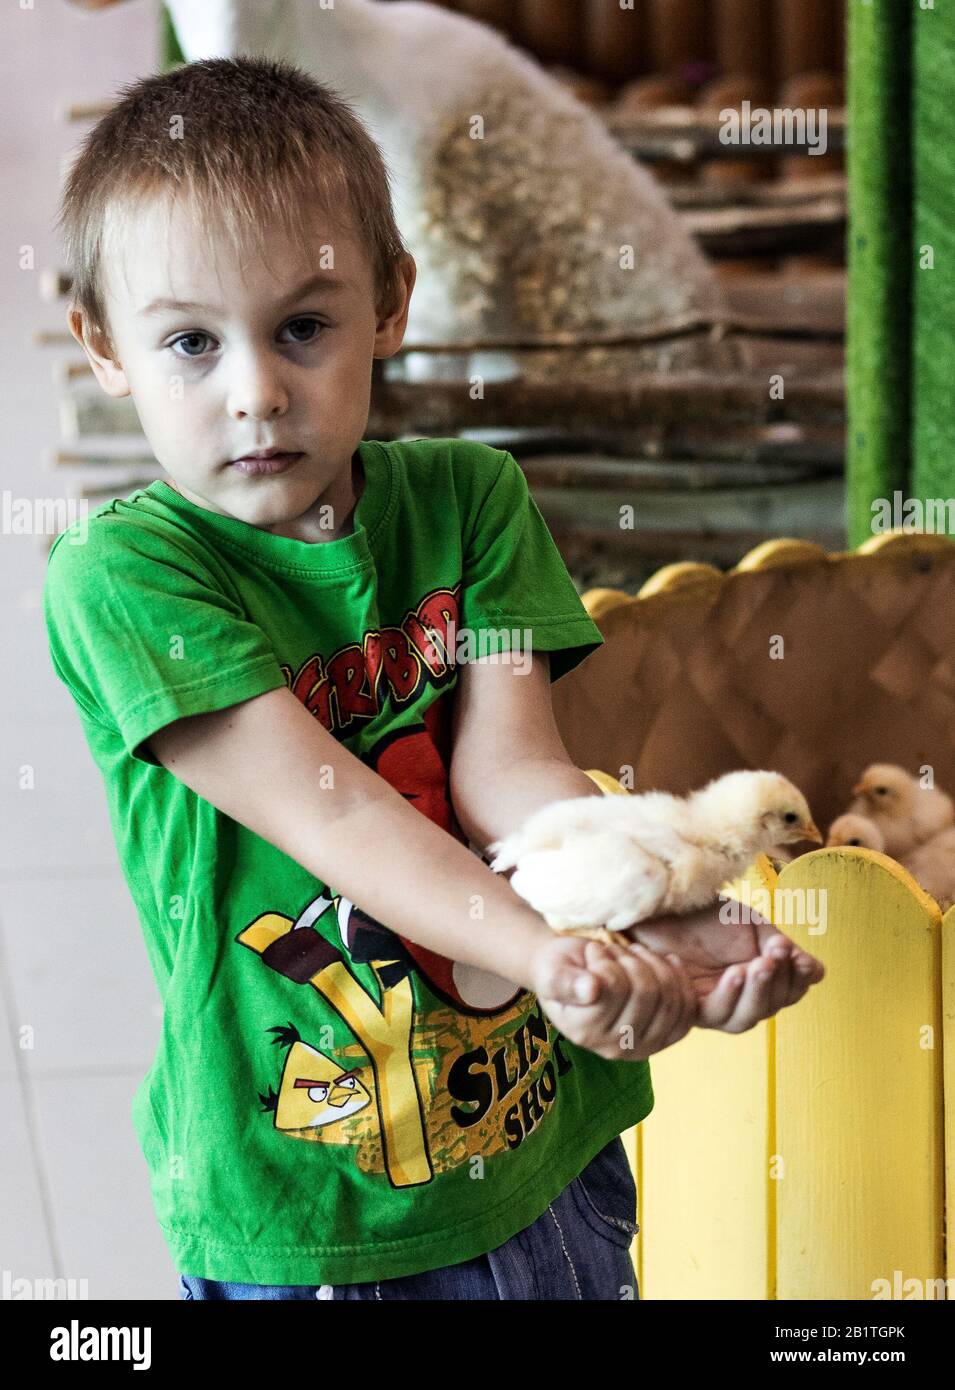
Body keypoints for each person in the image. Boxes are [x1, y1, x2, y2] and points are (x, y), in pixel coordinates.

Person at [44, 56, 824, 1301]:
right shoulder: (121, 577)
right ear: (104, 346)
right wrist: (553, 954)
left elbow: (509, 769)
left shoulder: (471, 502)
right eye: (190, 341)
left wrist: (643, 918)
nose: (255, 392)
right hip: (312, 1212)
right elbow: (333, 811)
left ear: (391, 303)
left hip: (539, 1152)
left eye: (304, 326)